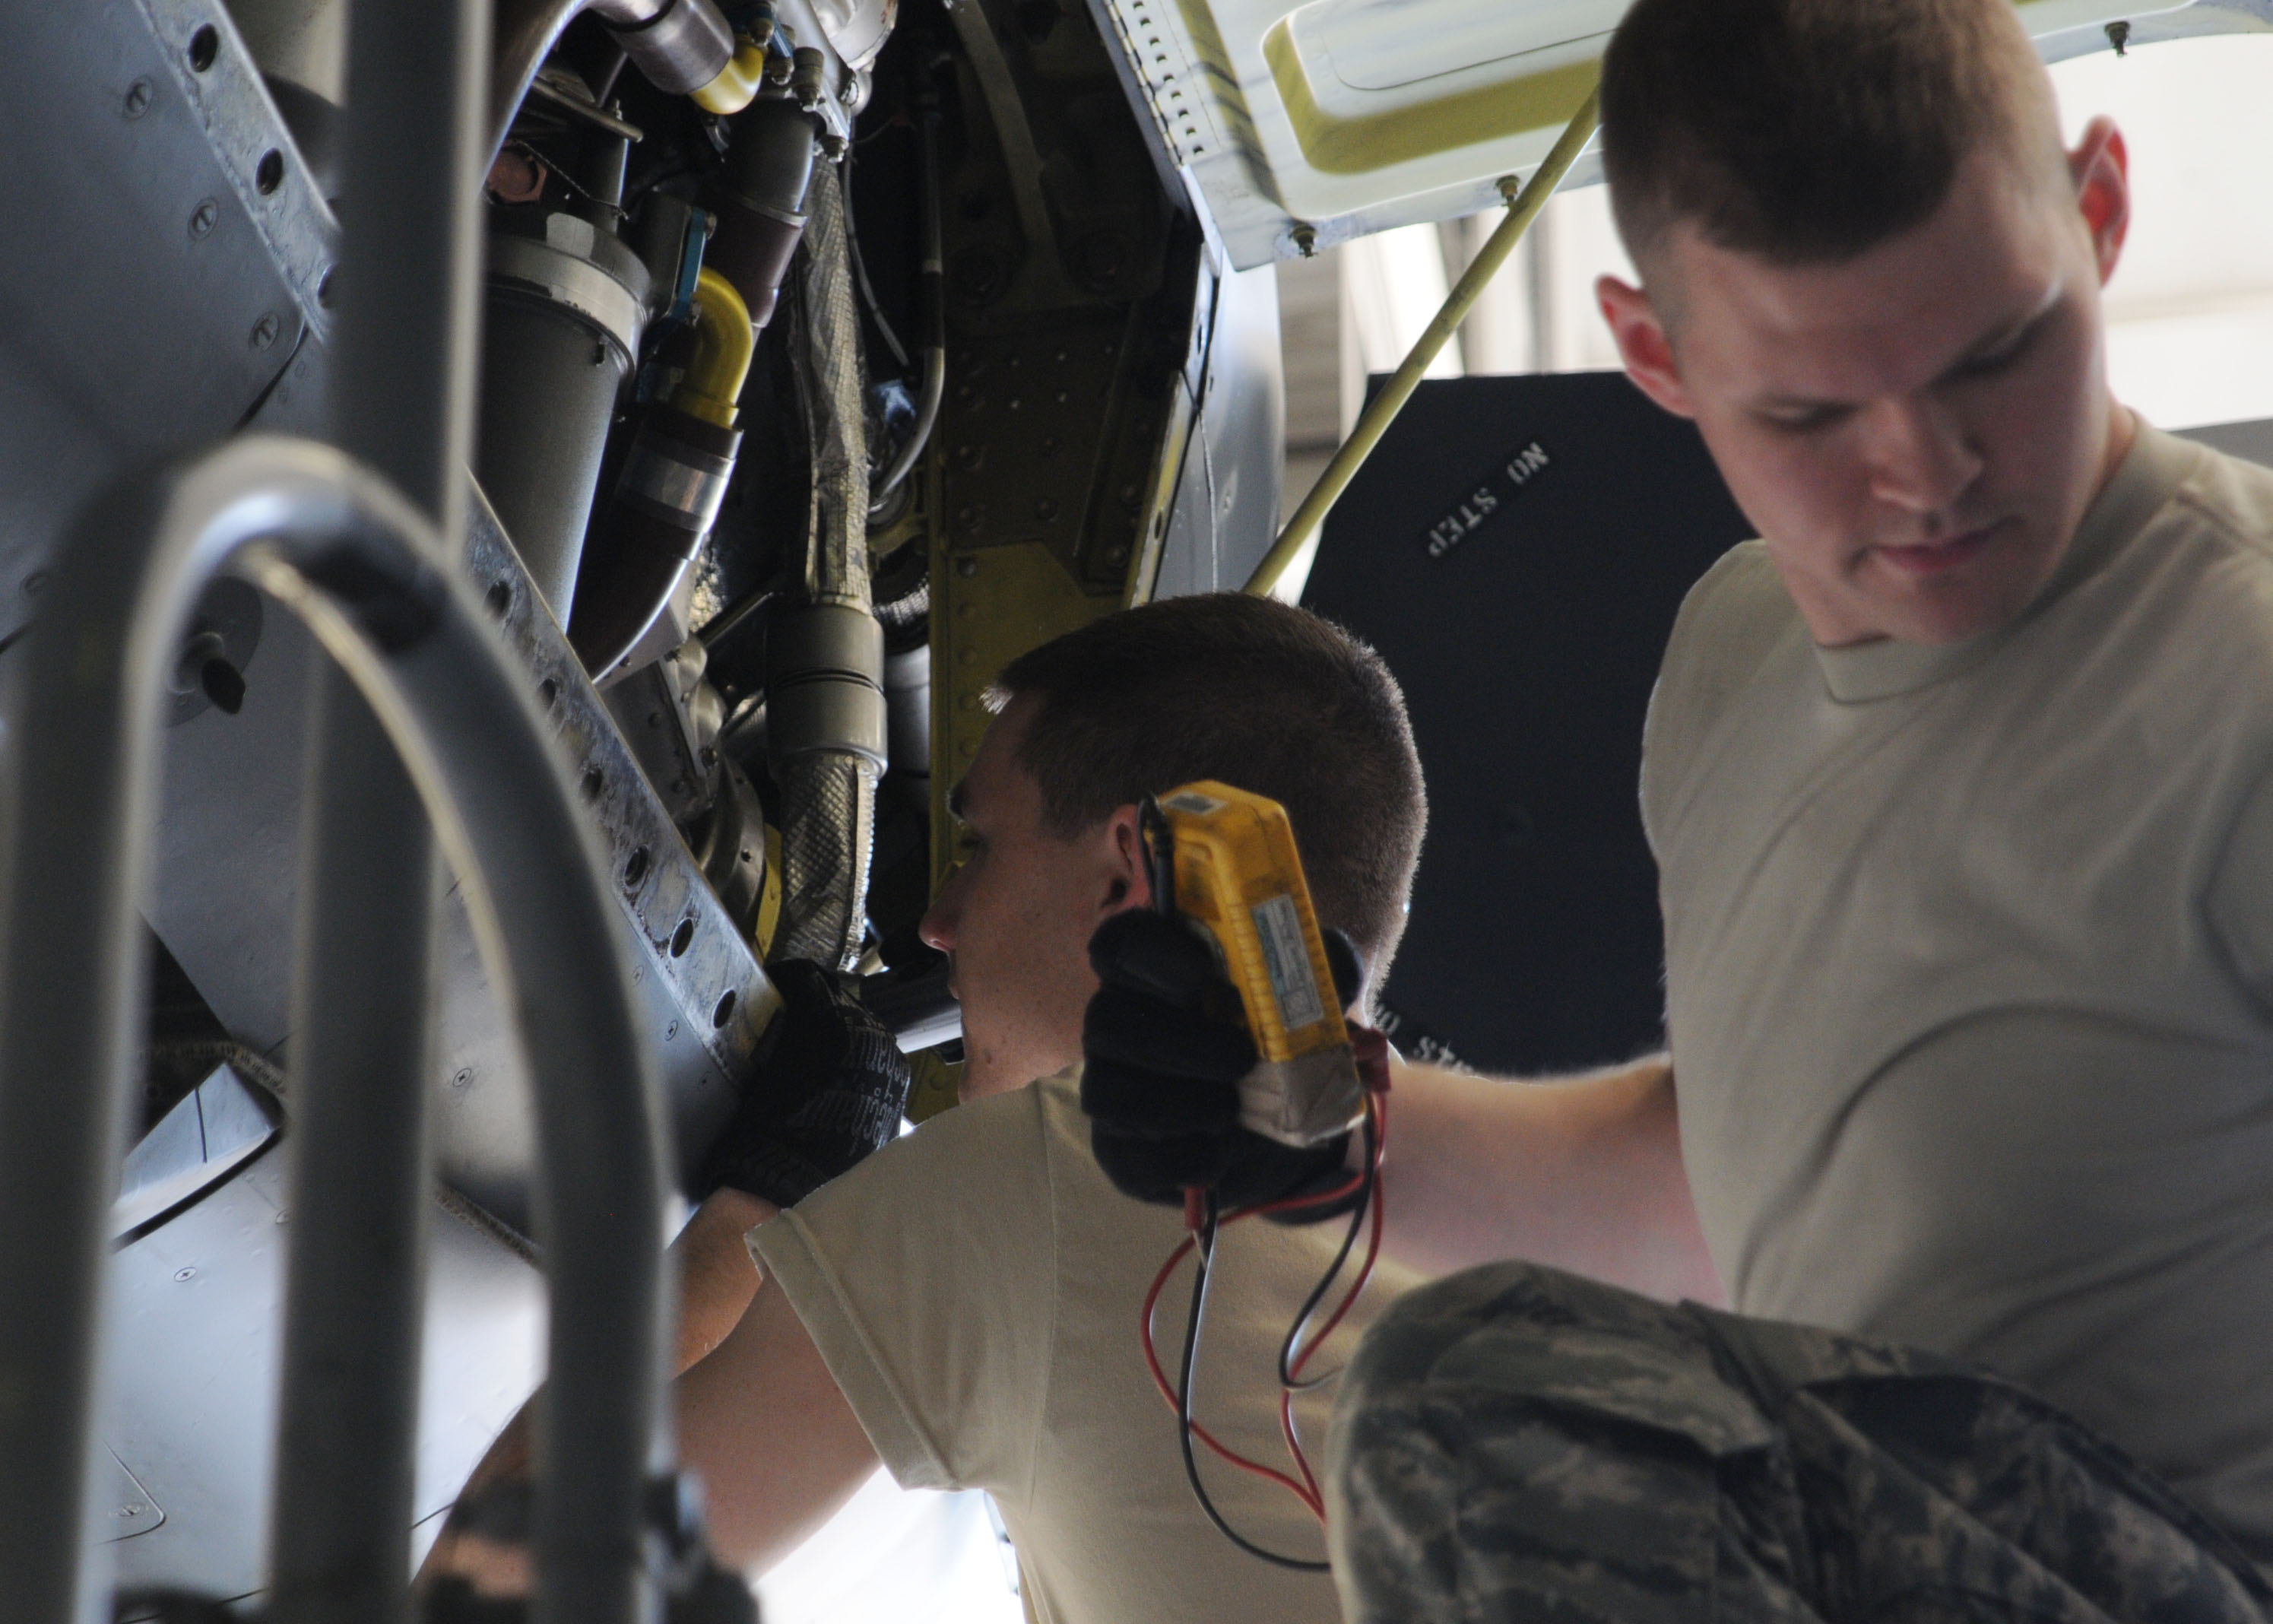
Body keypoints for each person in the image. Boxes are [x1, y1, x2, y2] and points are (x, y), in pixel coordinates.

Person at [1079, 2, 2273, 1619]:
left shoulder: (2240, 670)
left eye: (1996, 350)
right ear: (1655, 353)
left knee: (1455, 1399)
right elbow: (1725, 1177)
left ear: (2101, 210)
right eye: (1809, 414)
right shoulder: (1730, 660)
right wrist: (1328, 1129)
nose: (1926, 472)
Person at [426, 592, 1431, 1623]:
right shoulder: (1464, 1203)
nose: (940, 924)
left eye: (982, 849)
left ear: (1127, 876)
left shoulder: (1051, 1180)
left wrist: (772, 1194)